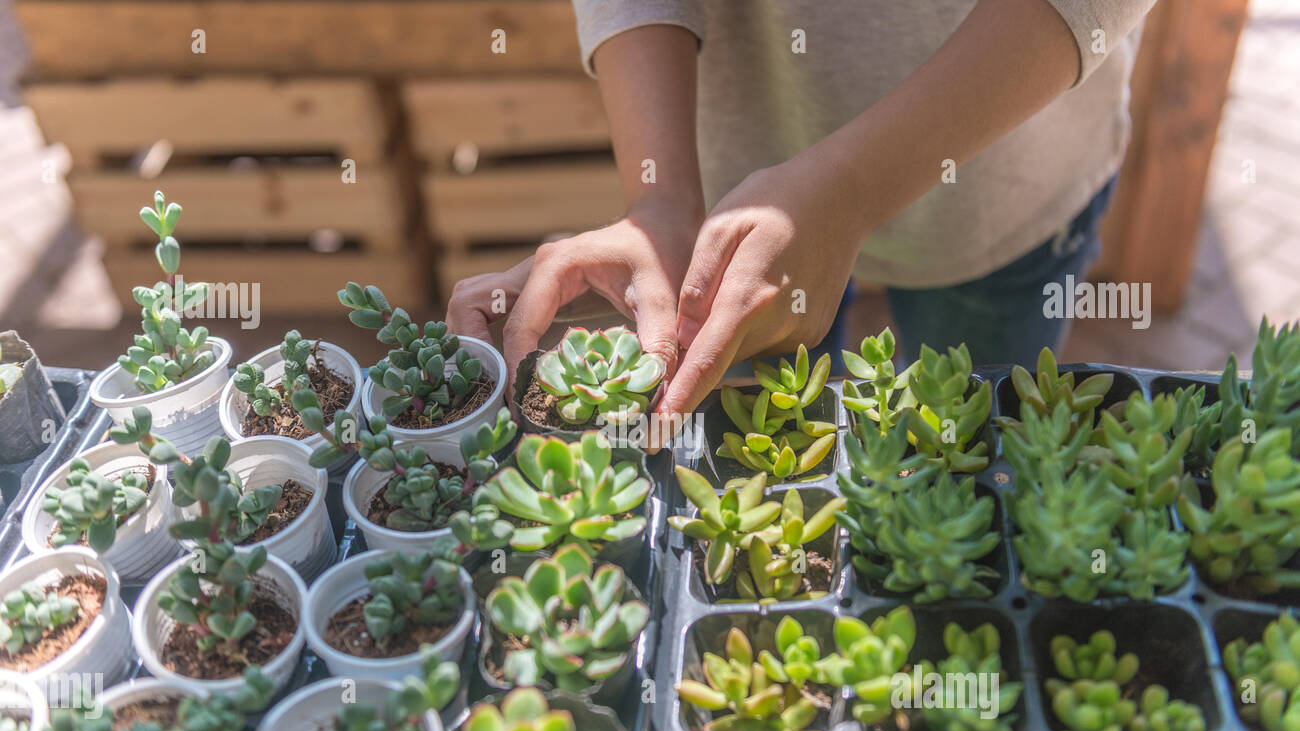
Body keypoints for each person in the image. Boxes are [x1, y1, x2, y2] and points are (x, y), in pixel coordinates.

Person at [446, 0, 1155, 434]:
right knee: (779, 430)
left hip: (999, 185)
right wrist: (659, 202)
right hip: (741, 209)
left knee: (976, 439)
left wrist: (847, 193)